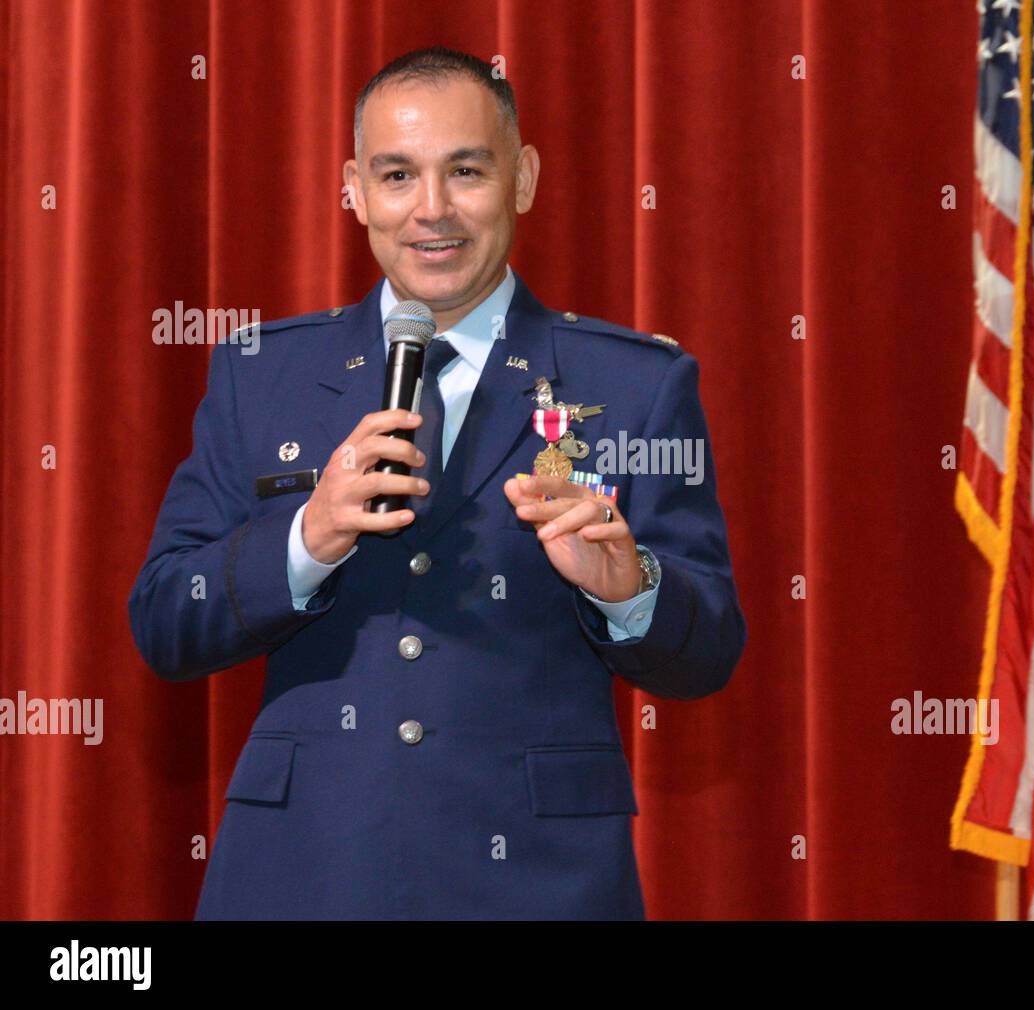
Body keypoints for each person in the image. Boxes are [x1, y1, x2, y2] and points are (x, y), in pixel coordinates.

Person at [128, 47, 746, 920]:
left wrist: (629, 588)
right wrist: (308, 539)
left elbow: (710, 649)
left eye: (465, 170)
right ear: (354, 190)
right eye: (396, 175)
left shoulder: (638, 385)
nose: (431, 211)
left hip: (537, 882)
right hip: (304, 873)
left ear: (522, 178)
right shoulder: (262, 371)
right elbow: (163, 620)